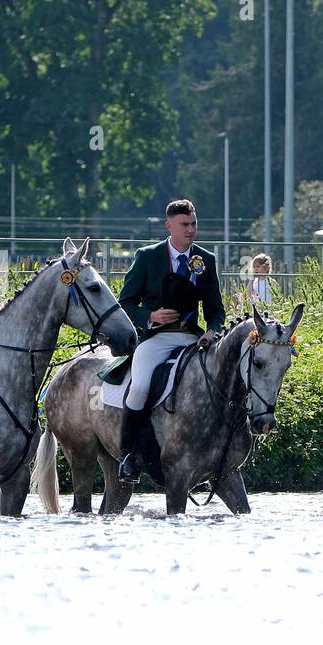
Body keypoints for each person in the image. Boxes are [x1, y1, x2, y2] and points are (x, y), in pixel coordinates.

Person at [116, 198, 225, 483]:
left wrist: (211, 332)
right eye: (185, 225)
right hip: (156, 337)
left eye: (194, 224)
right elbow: (125, 303)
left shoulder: (206, 260)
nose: (191, 230)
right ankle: (129, 455)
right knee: (139, 387)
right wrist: (151, 315)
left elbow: (216, 310)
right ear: (169, 225)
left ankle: (220, 450)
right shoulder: (147, 256)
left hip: (192, 338)